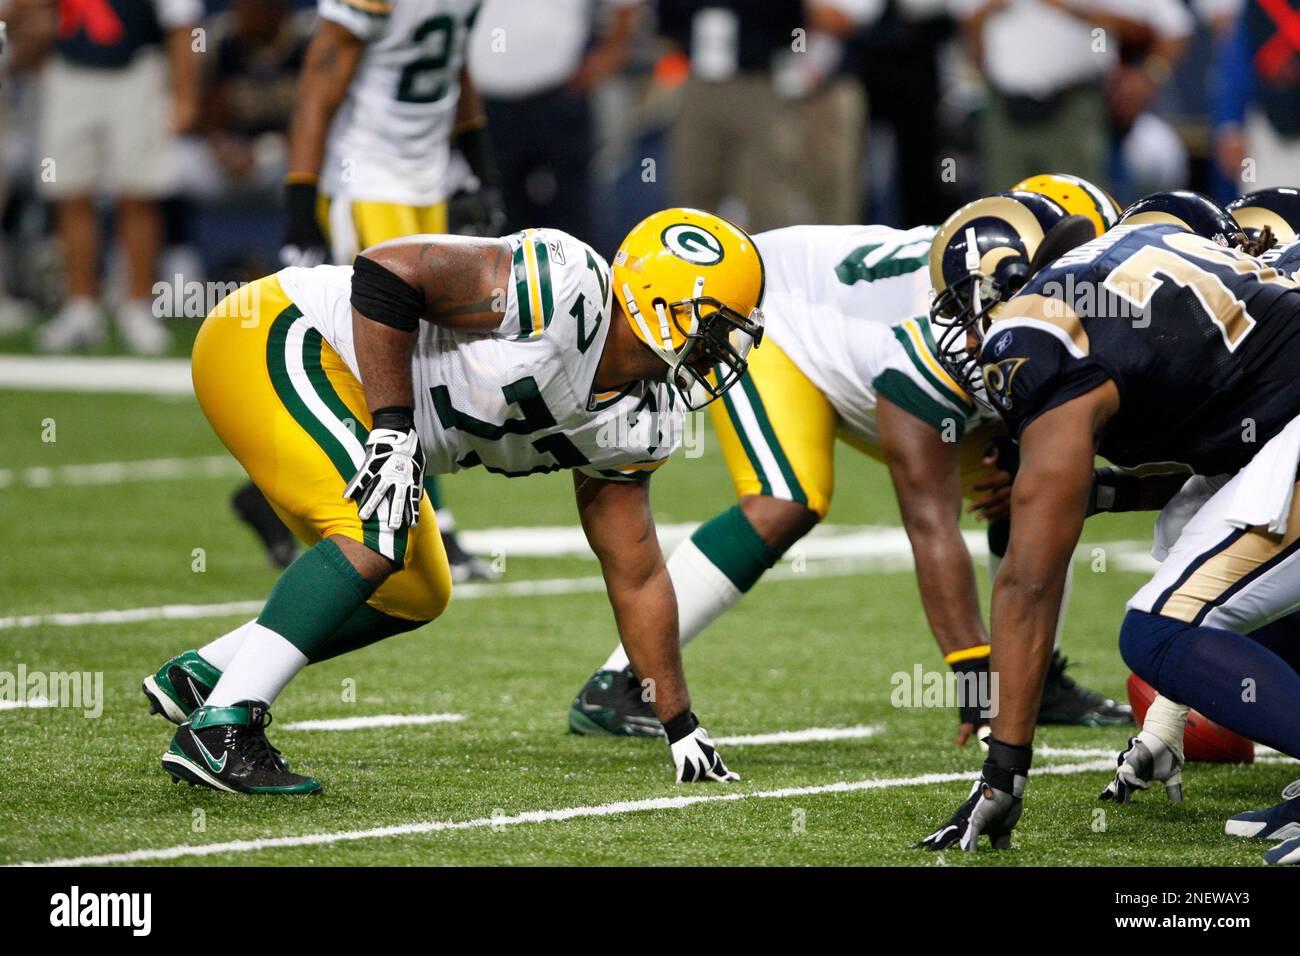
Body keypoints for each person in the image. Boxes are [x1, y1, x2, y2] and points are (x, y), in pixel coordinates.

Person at [142, 208, 764, 795]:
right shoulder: (561, 288)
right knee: (374, 528)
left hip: (342, 387)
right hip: (282, 335)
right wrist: (391, 429)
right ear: (660, 305)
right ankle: (222, 731)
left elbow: (637, 574)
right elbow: (385, 271)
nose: (720, 352)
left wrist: (681, 724)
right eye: (715, 328)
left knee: (417, 591)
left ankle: (207, 676)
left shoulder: (644, 420)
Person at [568, 173, 1132, 741]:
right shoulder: (942, 331)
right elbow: (929, 522)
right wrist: (972, 677)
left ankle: (1038, 673)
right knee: (786, 499)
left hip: (876, 351)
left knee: (1031, 486)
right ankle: (619, 681)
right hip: (783, 323)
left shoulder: (1010, 297)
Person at [913, 189, 1300, 867]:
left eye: (963, 309)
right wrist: (1099, 490)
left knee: (1158, 630)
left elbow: (1030, 581)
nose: (971, 338)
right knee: (1252, 607)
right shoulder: (1141, 269)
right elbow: (1205, 458)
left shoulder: (1034, 329)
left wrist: (1003, 772)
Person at [233, 0, 508, 579]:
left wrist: (480, 169)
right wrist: (300, 200)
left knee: (431, 354)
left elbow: (454, 64)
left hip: (427, 180)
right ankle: (435, 525)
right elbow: (317, 85)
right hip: (366, 182)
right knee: (395, 356)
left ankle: (266, 496)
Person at [34, 0, 201, 354]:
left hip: (137, 71)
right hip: (69, 70)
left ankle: (137, 307)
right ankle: (80, 306)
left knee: (139, 193)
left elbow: (181, 23)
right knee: (70, 192)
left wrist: (184, 94)